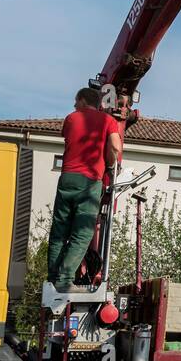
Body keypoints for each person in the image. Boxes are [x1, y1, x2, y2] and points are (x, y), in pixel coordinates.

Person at [46, 87, 122, 295]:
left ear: (82, 100)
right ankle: (64, 279)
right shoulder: (107, 121)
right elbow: (115, 147)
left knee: (59, 232)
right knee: (82, 233)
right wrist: (109, 163)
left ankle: (52, 278)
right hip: (89, 182)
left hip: (67, 178)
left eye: (75, 101)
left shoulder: (70, 119)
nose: (73, 105)